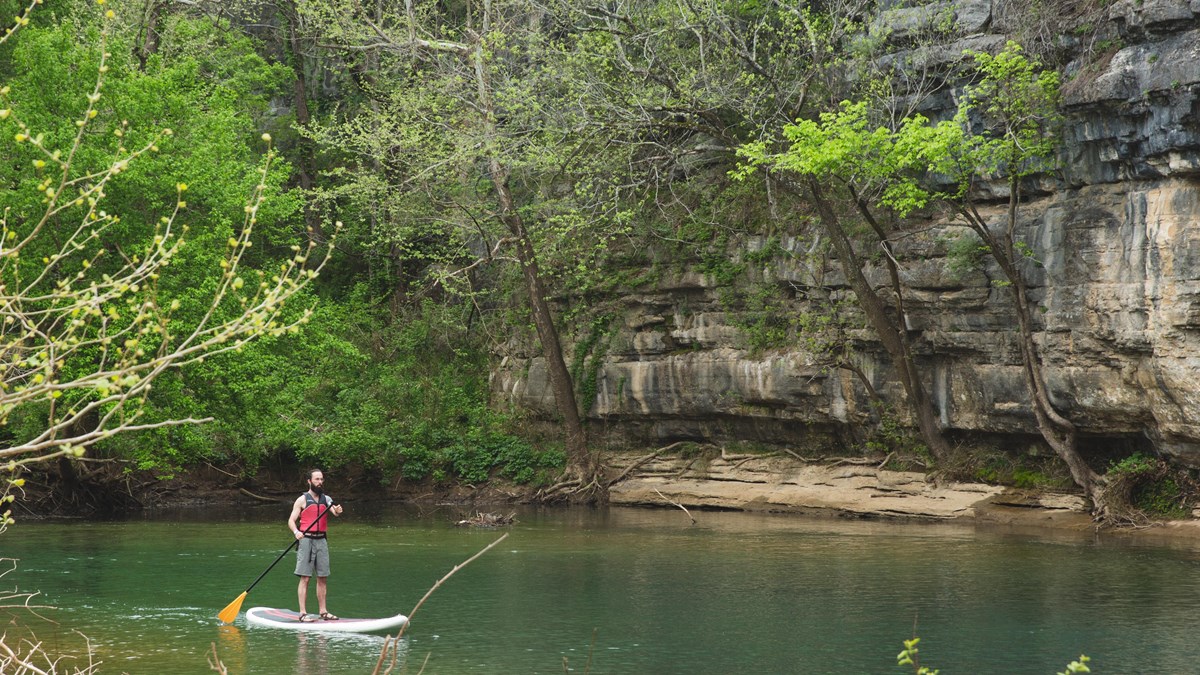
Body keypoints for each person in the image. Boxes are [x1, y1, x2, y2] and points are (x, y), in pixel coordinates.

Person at [288, 468, 344, 622]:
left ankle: (323, 612)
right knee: (305, 578)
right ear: (309, 481)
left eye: (321, 479)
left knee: (322, 577)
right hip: (306, 540)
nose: (320, 482)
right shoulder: (302, 500)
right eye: (317, 479)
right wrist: (296, 532)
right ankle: (303, 613)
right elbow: (291, 521)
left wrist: (338, 510)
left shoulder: (326, 499)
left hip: (322, 541)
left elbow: (335, 511)